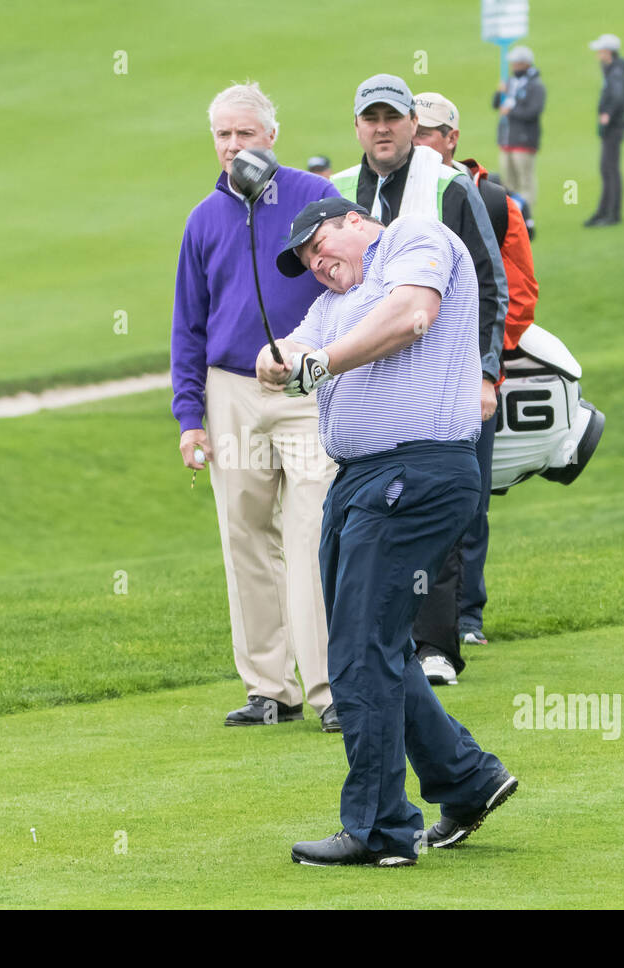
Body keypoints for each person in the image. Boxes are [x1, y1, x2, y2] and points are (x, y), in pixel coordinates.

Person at [256, 198, 519, 866]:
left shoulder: (412, 239)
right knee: (376, 644)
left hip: (416, 470)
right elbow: (295, 345)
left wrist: (320, 365)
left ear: (351, 221)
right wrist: (277, 358)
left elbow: (412, 317)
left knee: (357, 648)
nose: (319, 266)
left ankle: (379, 829)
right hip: (361, 481)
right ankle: (467, 779)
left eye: (320, 247)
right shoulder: (335, 301)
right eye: (308, 264)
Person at [170, 82, 342, 732]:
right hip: (230, 391)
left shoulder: (314, 200)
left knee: (309, 536)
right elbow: (188, 326)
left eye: (245, 133)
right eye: (223, 135)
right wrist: (190, 418)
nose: (234, 146)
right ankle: (270, 688)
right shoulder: (203, 220)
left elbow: (355, 270)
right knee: (244, 538)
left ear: (272, 134)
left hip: (302, 389)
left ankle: (329, 690)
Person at [331, 75, 509, 682]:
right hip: (365, 382)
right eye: (370, 118)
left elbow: (490, 283)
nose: (382, 128)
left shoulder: (448, 186)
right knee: (371, 513)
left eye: (393, 117)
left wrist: (487, 374)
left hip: (444, 378)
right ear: (356, 127)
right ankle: (382, 642)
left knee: (439, 502)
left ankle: (436, 645)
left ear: (413, 124)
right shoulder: (336, 193)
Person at [412, 92, 539, 660]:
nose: (420, 143)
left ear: (452, 138)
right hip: (407, 381)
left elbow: (516, 293)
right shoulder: (388, 196)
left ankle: (466, 614)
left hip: (468, 378)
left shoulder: (491, 200)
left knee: (469, 499)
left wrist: (487, 363)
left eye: (430, 133)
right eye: (413, 132)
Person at [491, 45, 546, 211]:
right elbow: (495, 104)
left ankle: (526, 215)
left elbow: (533, 111)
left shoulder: (536, 86)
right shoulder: (510, 83)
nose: (513, 66)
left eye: (517, 63)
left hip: (524, 140)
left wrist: (511, 111)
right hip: (507, 139)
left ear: (526, 64)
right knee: (508, 182)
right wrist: (498, 92)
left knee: (525, 181)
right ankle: (512, 213)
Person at [585, 33, 624, 228]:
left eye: (600, 51)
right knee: (607, 168)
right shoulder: (611, 70)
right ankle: (604, 211)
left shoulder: (616, 72)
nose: (597, 55)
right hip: (612, 127)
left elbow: (618, 97)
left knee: (610, 169)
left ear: (608, 52)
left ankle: (612, 214)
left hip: (614, 127)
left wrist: (607, 115)